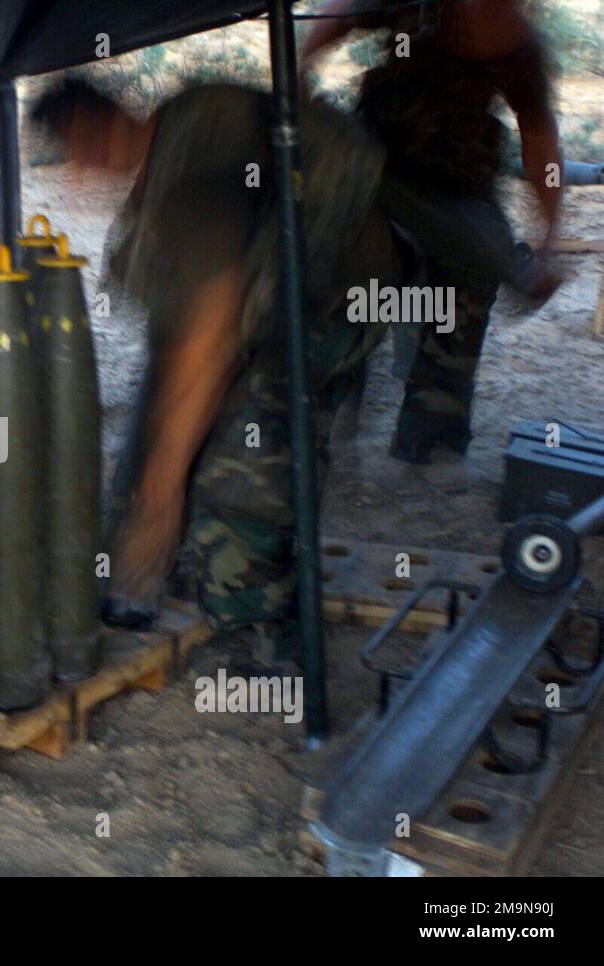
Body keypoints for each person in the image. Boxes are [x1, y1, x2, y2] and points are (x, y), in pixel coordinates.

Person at [29, 79, 408, 659]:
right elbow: (176, 347)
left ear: (101, 129)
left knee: (241, 466)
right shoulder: (161, 173)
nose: (84, 170)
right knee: (167, 429)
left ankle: (267, 645)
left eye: (81, 149)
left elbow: (211, 337)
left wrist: (161, 492)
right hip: (266, 293)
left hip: (338, 298)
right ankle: (152, 572)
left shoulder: (196, 175)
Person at [302, 0, 563, 463]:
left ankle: (432, 436)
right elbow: (338, 15)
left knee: (469, 283)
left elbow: (540, 145)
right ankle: (317, 417)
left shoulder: (521, 50)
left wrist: (548, 238)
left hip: (457, 186)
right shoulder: (413, 6)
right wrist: (300, 78)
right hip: (380, 172)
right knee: (355, 282)